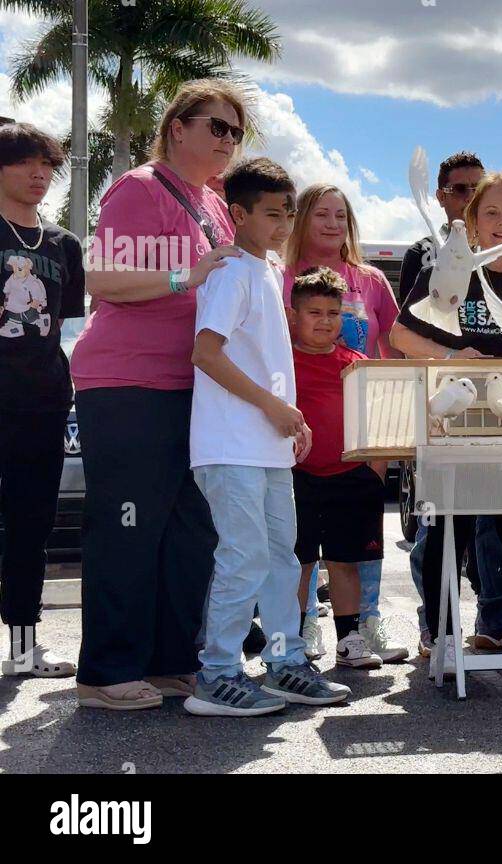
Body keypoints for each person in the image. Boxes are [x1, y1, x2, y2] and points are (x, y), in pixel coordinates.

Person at [72, 79, 245, 710]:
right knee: (129, 525)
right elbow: (101, 278)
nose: (228, 141)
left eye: (236, 132)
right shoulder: (141, 189)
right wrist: (185, 275)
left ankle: (173, 660)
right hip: (127, 382)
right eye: (217, 127)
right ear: (178, 127)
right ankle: (105, 672)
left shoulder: (215, 203)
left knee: (189, 529)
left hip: (191, 385)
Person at [184, 157, 350, 716]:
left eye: (288, 213)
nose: (283, 225)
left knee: (283, 556)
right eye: (273, 214)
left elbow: (265, 361)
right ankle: (218, 674)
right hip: (229, 446)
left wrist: (291, 418)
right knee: (245, 556)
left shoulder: (266, 271)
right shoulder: (233, 273)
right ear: (239, 214)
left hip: (267, 445)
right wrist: (277, 408)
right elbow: (205, 354)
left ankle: (283, 662)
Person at [391, 170, 502, 675]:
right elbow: (402, 336)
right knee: (450, 528)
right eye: (492, 213)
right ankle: (444, 636)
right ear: (471, 220)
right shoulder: (450, 270)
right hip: (457, 424)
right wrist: (452, 353)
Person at [283, 183, 402, 663]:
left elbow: (393, 352)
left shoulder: (371, 279)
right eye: (321, 214)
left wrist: (382, 450)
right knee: (299, 557)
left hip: (354, 451)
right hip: (299, 463)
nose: (333, 224)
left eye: (341, 215)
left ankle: (361, 629)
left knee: (354, 553)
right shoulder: (281, 275)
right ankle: (299, 631)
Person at [0, 123, 84, 678]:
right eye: (26, 162)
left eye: (47, 166)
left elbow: (73, 328)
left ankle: (22, 650)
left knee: (32, 524)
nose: (38, 175)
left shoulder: (64, 245)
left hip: (45, 403)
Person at [397, 151, 485, 302]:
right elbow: (408, 321)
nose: (471, 197)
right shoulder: (420, 253)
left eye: (479, 189)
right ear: (441, 197)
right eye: (460, 189)